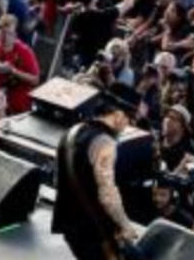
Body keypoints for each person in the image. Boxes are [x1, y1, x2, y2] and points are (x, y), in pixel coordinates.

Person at [52, 90, 140, 260]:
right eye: (128, 118)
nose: (127, 125)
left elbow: (58, 179)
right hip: (94, 231)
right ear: (118, 115)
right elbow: (108, 195)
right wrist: (125, 225)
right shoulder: (105, 143)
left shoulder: (72, 131)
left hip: (69, 225)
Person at [0, 13, 40, 121]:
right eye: (2, 33)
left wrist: (13, 71)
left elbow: (35, 80)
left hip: (17, 102)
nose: (5, 37)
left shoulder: (25, 52)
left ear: (15, 35)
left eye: (9, 33)